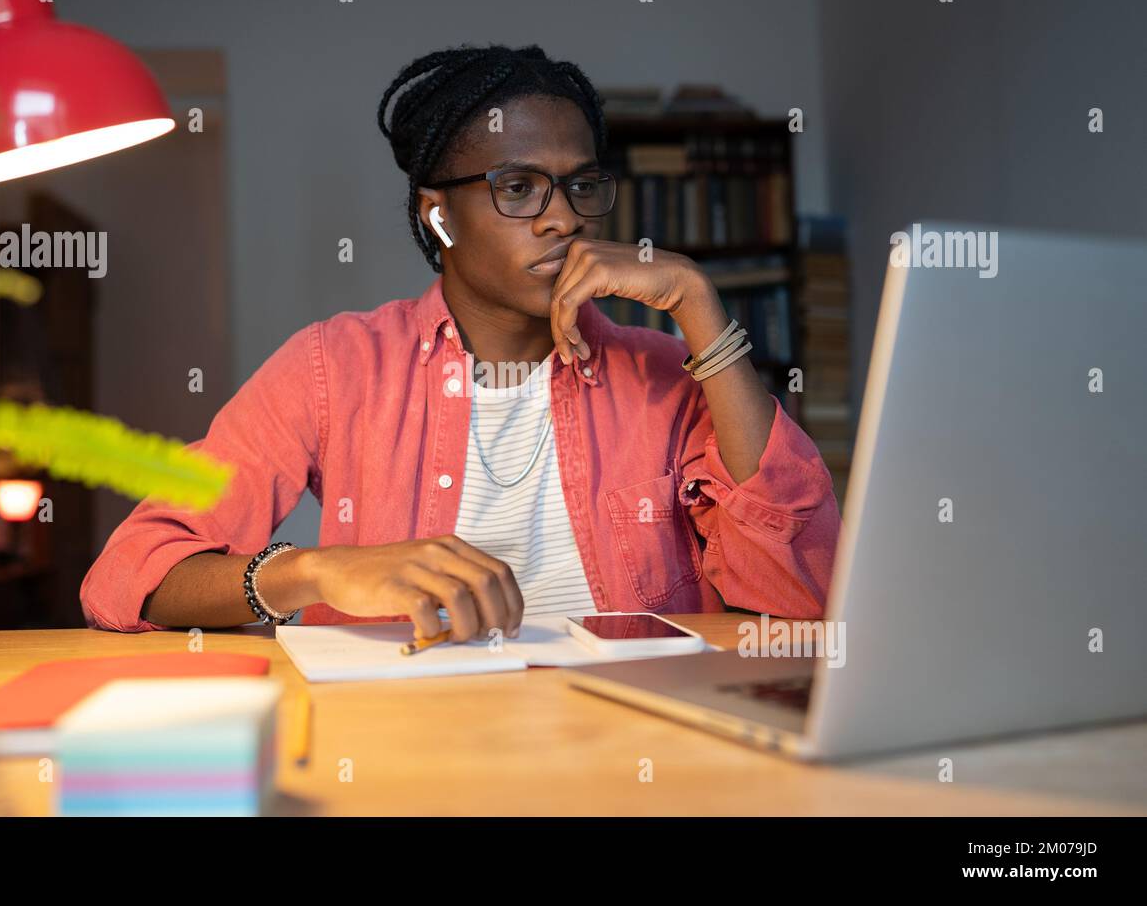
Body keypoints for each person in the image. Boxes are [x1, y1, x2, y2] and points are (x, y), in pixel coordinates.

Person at [81, 44, 840, 642]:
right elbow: (128, 576)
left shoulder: (669, 375)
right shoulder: (334, 368)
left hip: (633, 756)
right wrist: (314, 570)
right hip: (411, 755)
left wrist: (701, 308)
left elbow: (802, 598)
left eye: (581, 186)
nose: (562, 219)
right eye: (518, 188)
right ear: (439, 217)